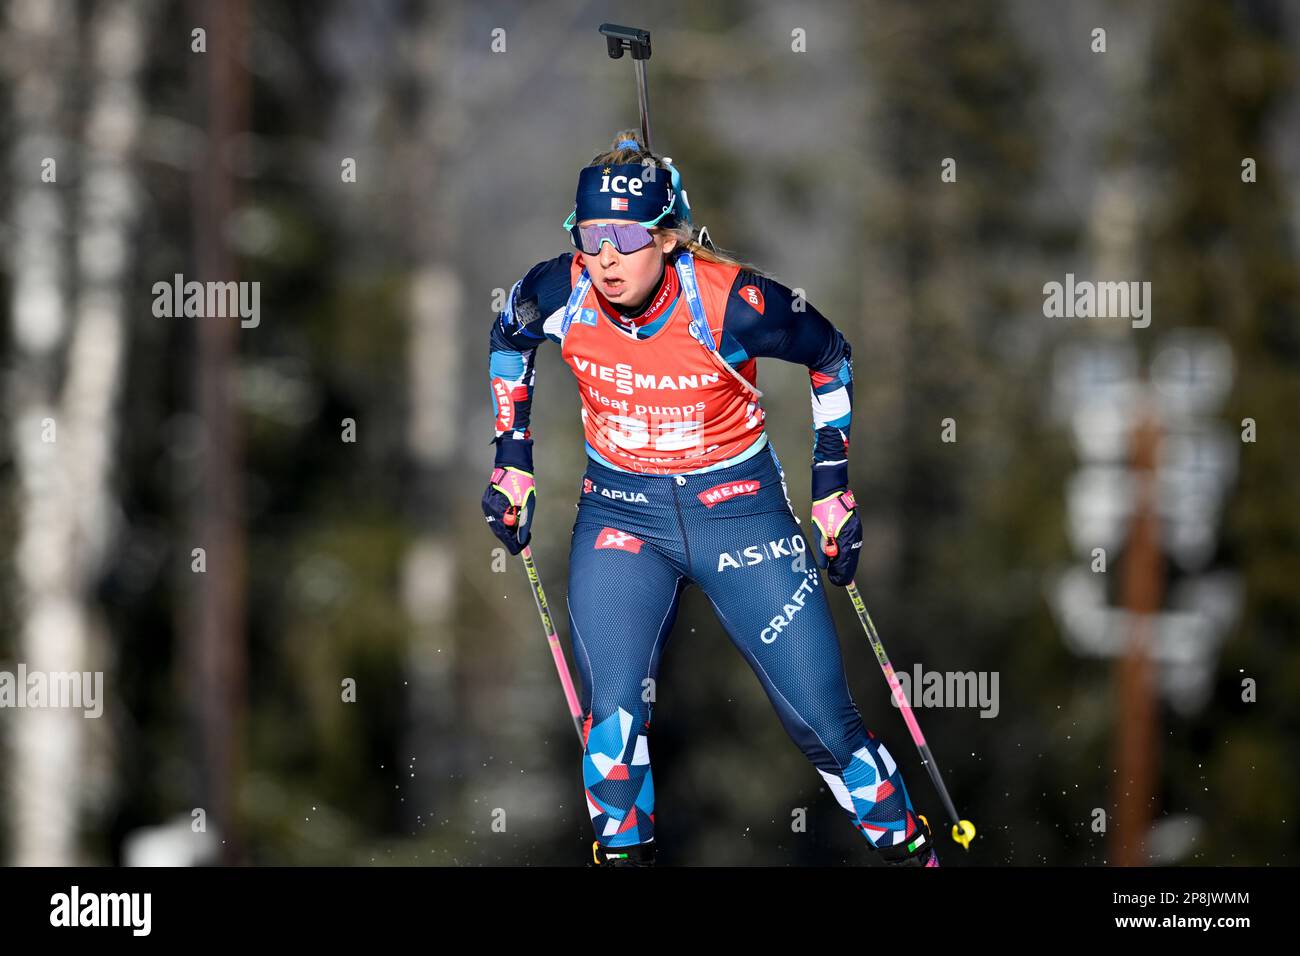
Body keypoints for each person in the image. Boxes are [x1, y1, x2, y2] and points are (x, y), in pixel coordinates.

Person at [482, 131, 939, 868]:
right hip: (621, 515)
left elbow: (831, 357)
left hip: (740, 518)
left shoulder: (735, 303)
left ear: (666, 239)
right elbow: (508, 337)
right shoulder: (558, 287)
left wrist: (832, 489)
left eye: (627, 236)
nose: (605, 256)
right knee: (614, 728)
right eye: (590, 234)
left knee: (824, 726)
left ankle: (913, 853)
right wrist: (512, 459)